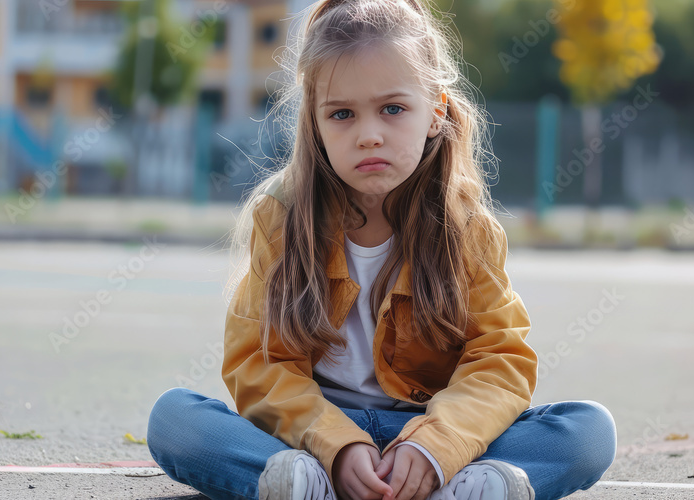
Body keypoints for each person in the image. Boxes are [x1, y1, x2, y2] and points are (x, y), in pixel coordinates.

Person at [147, 0, 617, 499]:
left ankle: (444, 485)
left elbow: (499, 359)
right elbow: (259, 364)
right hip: (314, 436)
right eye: (342, 114)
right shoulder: (281, 218)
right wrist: (339, 445)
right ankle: (309, 483)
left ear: (436, 111)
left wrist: (435, 447)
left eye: (393, 109)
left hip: (430, 435)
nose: (369, 135)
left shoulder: (468, 228)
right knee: (175, 420)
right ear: (316, 124)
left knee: (588, 430)